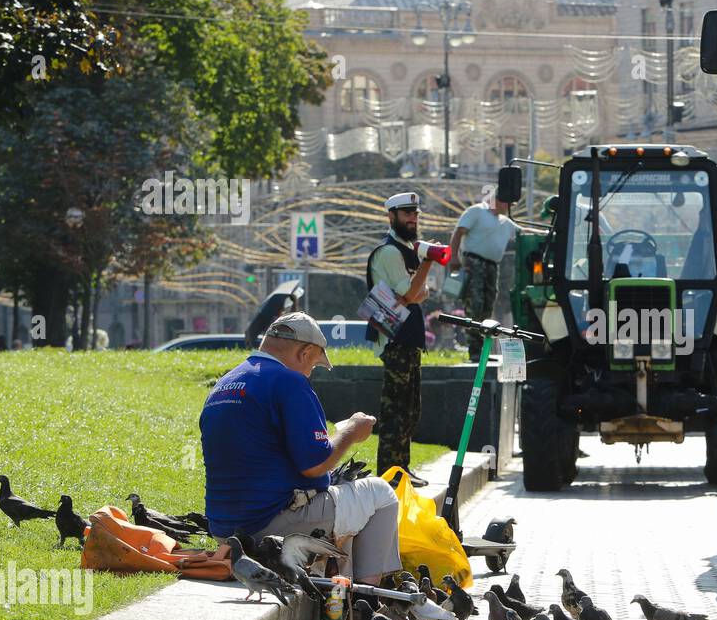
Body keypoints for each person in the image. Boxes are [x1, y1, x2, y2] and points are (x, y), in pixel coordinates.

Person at [199, 312, 401, 584]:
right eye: (314, 365)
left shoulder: (225, 384)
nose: (310, 373)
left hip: (224, 529)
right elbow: (315, 465)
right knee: (379, 493)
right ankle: (366, 601)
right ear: (305, 352)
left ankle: (340, 589)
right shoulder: (289, 382)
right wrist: (352, 432)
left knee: (347, 503)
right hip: (268, 523)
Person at [367, 192, 439, 476]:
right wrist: (427, 263)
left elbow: (421, 294)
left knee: (410, 410)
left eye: (416, 213)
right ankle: (390, 471)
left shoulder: (407, 250)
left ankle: (402, 468)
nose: (413, 218)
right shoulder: (389, 252)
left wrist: (414, 289)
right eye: (406, 212)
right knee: (396, 411)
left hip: (407, 338)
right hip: (394, 338)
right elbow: (411, 292)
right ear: (391, 216)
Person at [447, 189, 518, 361]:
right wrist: (453, 256)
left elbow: (524, 234)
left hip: (492, 266)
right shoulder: (477, 211)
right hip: (474, 262)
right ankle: (474, 351)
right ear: (498, 200)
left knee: (487, 305)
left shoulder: (505, 223)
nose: (509, 207)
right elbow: (458, 232)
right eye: (507, 203)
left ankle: (482, 352)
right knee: (475, 304)